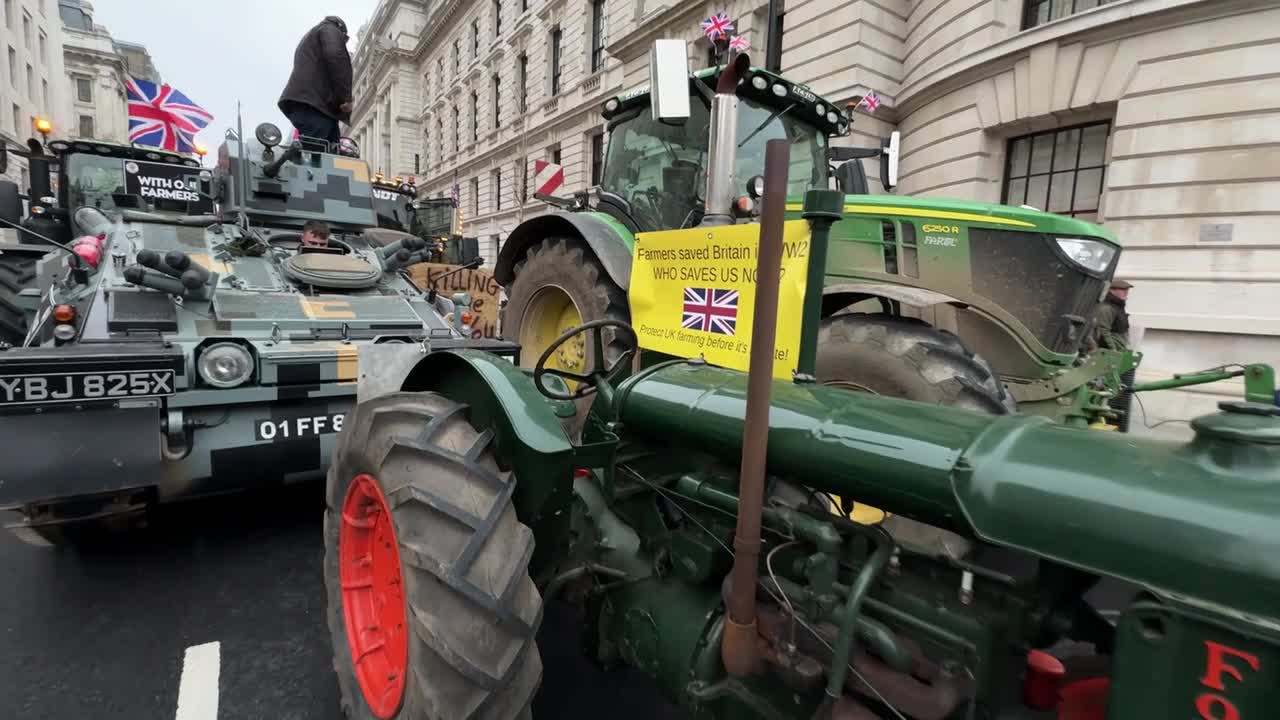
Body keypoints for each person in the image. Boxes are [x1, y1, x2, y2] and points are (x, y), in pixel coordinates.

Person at [278, 16, 353, 149]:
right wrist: (345, 98)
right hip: (316, 107)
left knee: (326, 155)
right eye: (344, 40)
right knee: (315, 158)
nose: (344, 44)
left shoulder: (311, 37)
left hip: (313, 106)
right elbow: (335, 56)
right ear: (341, 30)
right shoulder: (330, 29)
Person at [1092, 279, 1132, 351]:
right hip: (1110, 351)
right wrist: (1113, 350)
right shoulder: (1107, 308)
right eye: (1122, 289)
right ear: (1111, 290)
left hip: (1120, 347)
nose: (1126, 292)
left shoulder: (1118, 306)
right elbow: (1103, 331)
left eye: (1127, 290)